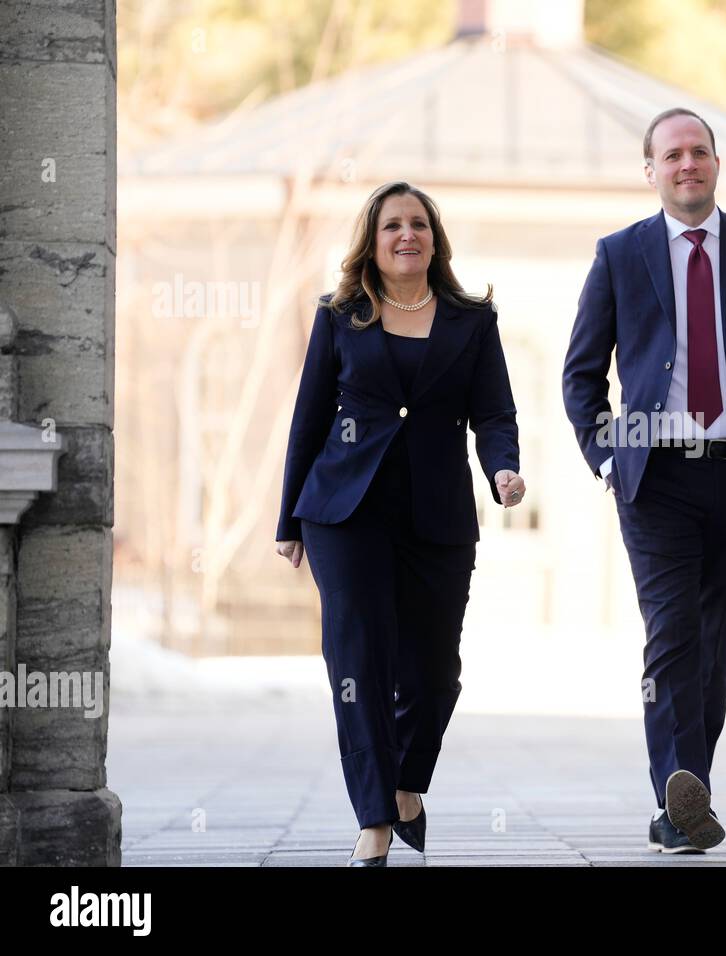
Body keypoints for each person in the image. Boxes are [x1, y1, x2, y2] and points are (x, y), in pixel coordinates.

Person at [562, 108, 726, 853]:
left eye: (699, 152)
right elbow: (581, 376)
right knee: (672, 636)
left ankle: (684, 802)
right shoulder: (619, 255)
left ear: (716, 163)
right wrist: (609, 458)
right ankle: (680, 790)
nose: (687, 164)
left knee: (714, 644)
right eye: (672, 154)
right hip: (655, 480)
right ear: (650, 170)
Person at [274, 181, 524, 866]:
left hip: (439, 514)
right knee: (358, 661)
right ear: (373, 242)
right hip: (344, 515)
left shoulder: (472, 322)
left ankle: (408, 785)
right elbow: (309, 420)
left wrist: (503, 468)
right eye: (392, 226)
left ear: (435, 240)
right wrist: (288, 519)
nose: (407, 235)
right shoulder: (340, 316)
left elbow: (495, 413)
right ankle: (375, 820)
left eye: (419, 224)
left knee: (434, 673)